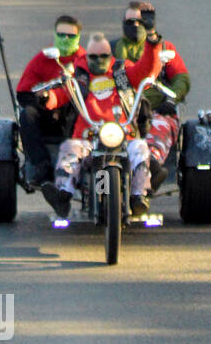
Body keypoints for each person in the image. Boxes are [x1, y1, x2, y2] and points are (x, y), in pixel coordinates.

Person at [41, 31, 161, 219]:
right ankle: (62, 195)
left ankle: (139, 196)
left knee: (140, 147)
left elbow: (147, 70)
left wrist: (153, 45)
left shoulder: (122, 73)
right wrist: (49, 98)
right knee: (70, 148)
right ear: (87, 57)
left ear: (110, 56)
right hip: (88, 137)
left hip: (122, 135)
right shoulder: (78, 76)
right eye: (94, 56)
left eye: (103, 56)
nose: (99, 60)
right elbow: (63, 94)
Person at [111, 1, 190, 192]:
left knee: (159, 130)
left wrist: (172, 99)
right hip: (119, 113)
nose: (136, 26)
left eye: (141, 21)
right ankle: (95, 185)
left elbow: (182, 79)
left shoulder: (165, 48)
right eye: (131, 21)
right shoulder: (109, 50)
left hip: (157, 111)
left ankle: (149, 173)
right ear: (123, 24)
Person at [15, 15, 87, 189]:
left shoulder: (85, 59)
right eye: (61, 35)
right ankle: (41, 166)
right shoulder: (43, 58)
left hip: (76, 113)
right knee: (27, 115)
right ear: (55, 35)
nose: (65, 39)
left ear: (78, 38)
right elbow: (23, 93)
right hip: (47, 114)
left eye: (70, 36)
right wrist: (44, 102)